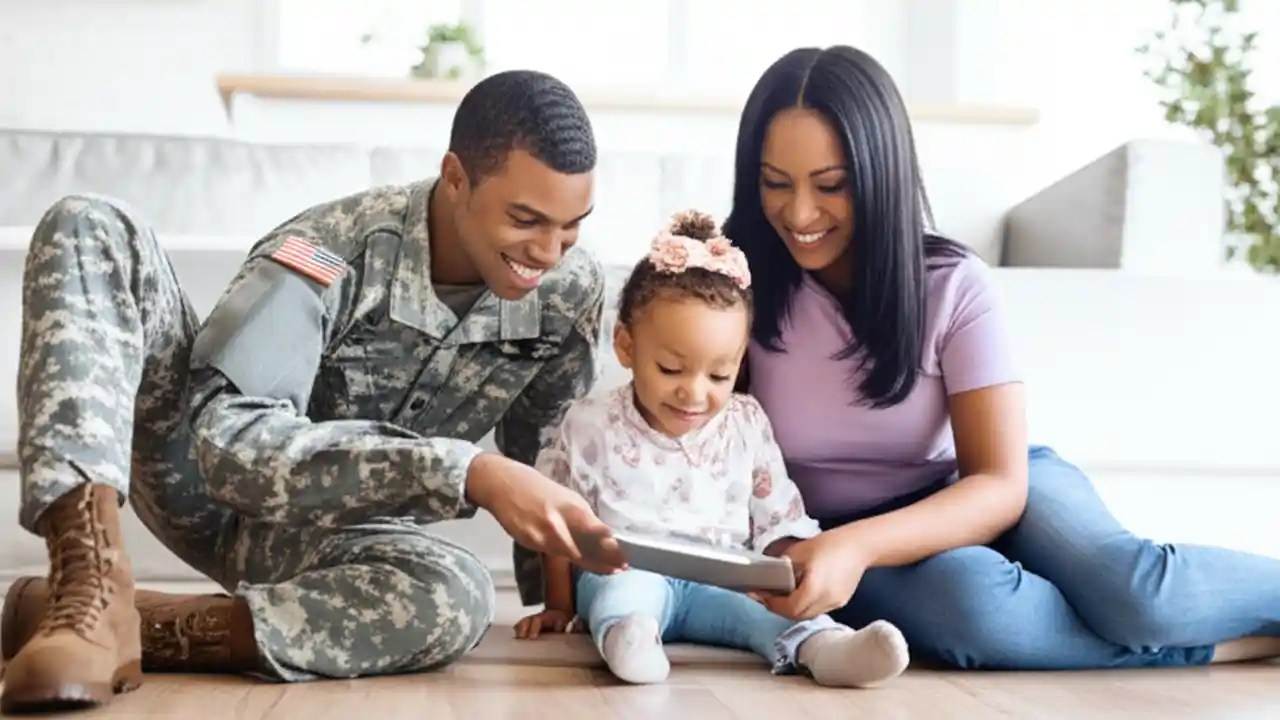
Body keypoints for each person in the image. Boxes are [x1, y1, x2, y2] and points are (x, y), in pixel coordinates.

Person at [0, 69, 628, 714]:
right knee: (93, 221)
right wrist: (464, 470)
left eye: (572, 226)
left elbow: (549, 452)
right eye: (525, 219)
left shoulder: (568, 291)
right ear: (457, 177)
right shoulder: (329, 249)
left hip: (337, 542)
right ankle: (87, 587)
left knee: (456, 594)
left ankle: (138, 626)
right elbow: (231, 442)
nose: (549, 252)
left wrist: (586, 596)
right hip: (200, 481)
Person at [722, 44, 1280, 671]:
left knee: (1136, 594)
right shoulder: (736, 284)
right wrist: (831, 545)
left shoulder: (953, 282)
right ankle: (1220, 649)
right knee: (979, 612)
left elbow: (999, 484)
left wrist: (856, 545)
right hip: (830, 532)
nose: (798, 213)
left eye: (831, 186)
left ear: (881, 174)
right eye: (776, 183)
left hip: (979, 484)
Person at [511, 210, 910, 688]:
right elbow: (561, 527)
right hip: (627, 574)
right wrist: (558, 607)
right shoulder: (590, 423)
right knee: (622, 594)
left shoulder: (746, 422)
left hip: (722, 583)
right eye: (671, 369)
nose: (695, 394)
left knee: (767, 614)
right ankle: (630, 640)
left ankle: (827, 647)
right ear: (626, 346)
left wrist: (789, 578)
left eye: (719, 375)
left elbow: (776, 520)